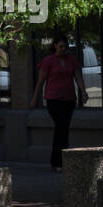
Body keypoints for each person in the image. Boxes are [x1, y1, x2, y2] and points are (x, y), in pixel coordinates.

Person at [30, 35, 87, 171]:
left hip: (69, 100)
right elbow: (40, 82)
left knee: (64, 129)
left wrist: (83, 91)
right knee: (60, 127)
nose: (63, 49)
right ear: (55, 46)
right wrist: (34, 99)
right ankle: (57, 162)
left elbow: (78, 76)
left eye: (65, 47)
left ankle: (62, 161)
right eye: (60, 46)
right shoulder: (48, 61)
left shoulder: (71, 60)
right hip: (54, 100)